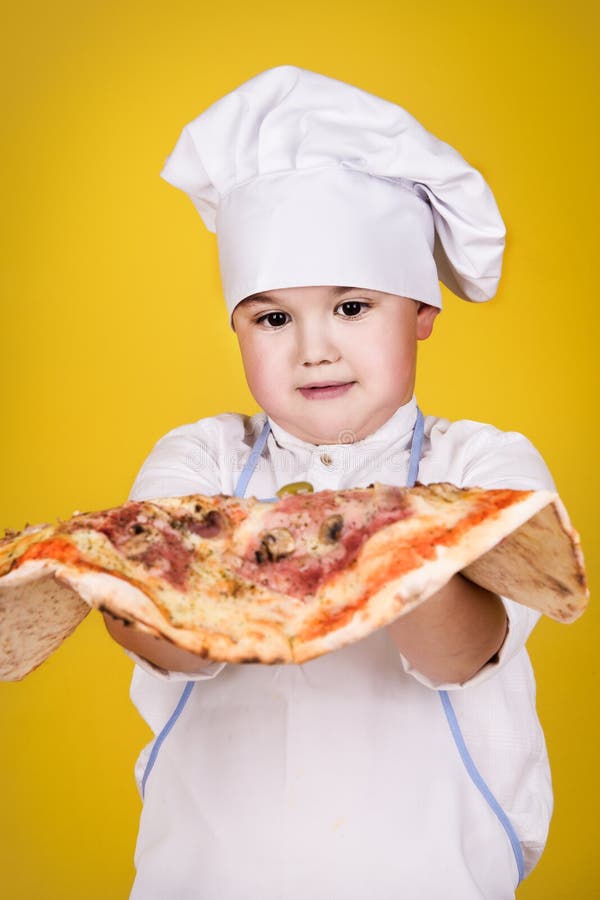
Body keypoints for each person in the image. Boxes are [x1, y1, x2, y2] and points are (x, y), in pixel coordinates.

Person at [103, 66, 555, 899]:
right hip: (207, 876)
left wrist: (363, 540)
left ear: (422, 312)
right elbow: (155, 631)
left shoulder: (485, 469)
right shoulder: (199, 461)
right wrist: (122, 585)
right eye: (274, 317)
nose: (314, 350)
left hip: (428, 876)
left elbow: (464, 654)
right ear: (236, 328)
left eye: (352, 307)